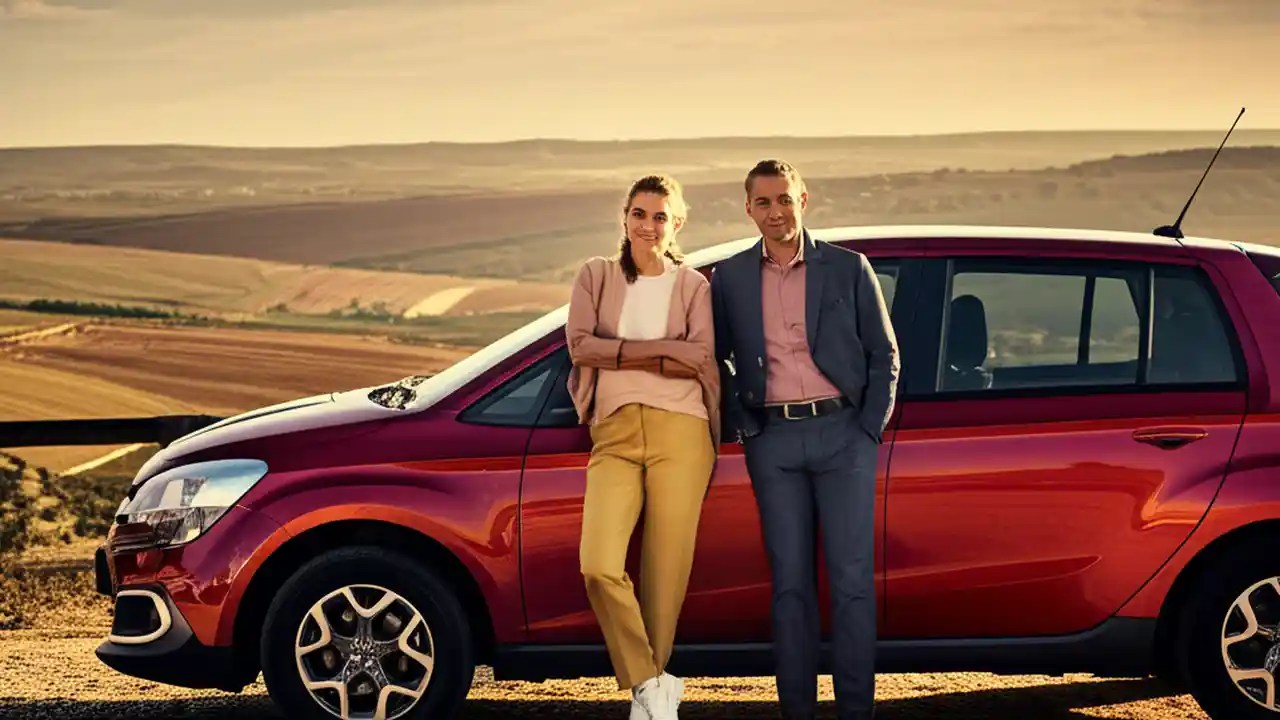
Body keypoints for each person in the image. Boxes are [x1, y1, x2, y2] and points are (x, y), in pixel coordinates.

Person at [710, 160, 899, 720]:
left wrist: (868, 429)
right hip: (772, 441)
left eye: (785, 200)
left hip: (845, 437)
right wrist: (743, 424)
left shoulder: (848, 267)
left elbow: (884, 353)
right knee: (790, 586)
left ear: (804, 200)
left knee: (852, 583)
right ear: (749, 209)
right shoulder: (730, 277)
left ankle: (855, 712)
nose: (776, 212)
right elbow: (715, 357)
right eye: (764, 203)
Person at [565, 174, 721, 720]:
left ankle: (647, 699)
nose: (648, 225)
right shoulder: (596, 275)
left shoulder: (694, 286)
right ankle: (652, 680)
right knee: (598, 565)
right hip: (613, 432)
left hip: (683, 430)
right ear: (625, 217)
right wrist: (662, 352)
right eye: (639, 213)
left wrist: (619, 352)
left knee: (664, 573)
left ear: (677, 223)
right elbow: (580, 346)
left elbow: (699, 358)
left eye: (660, 216)